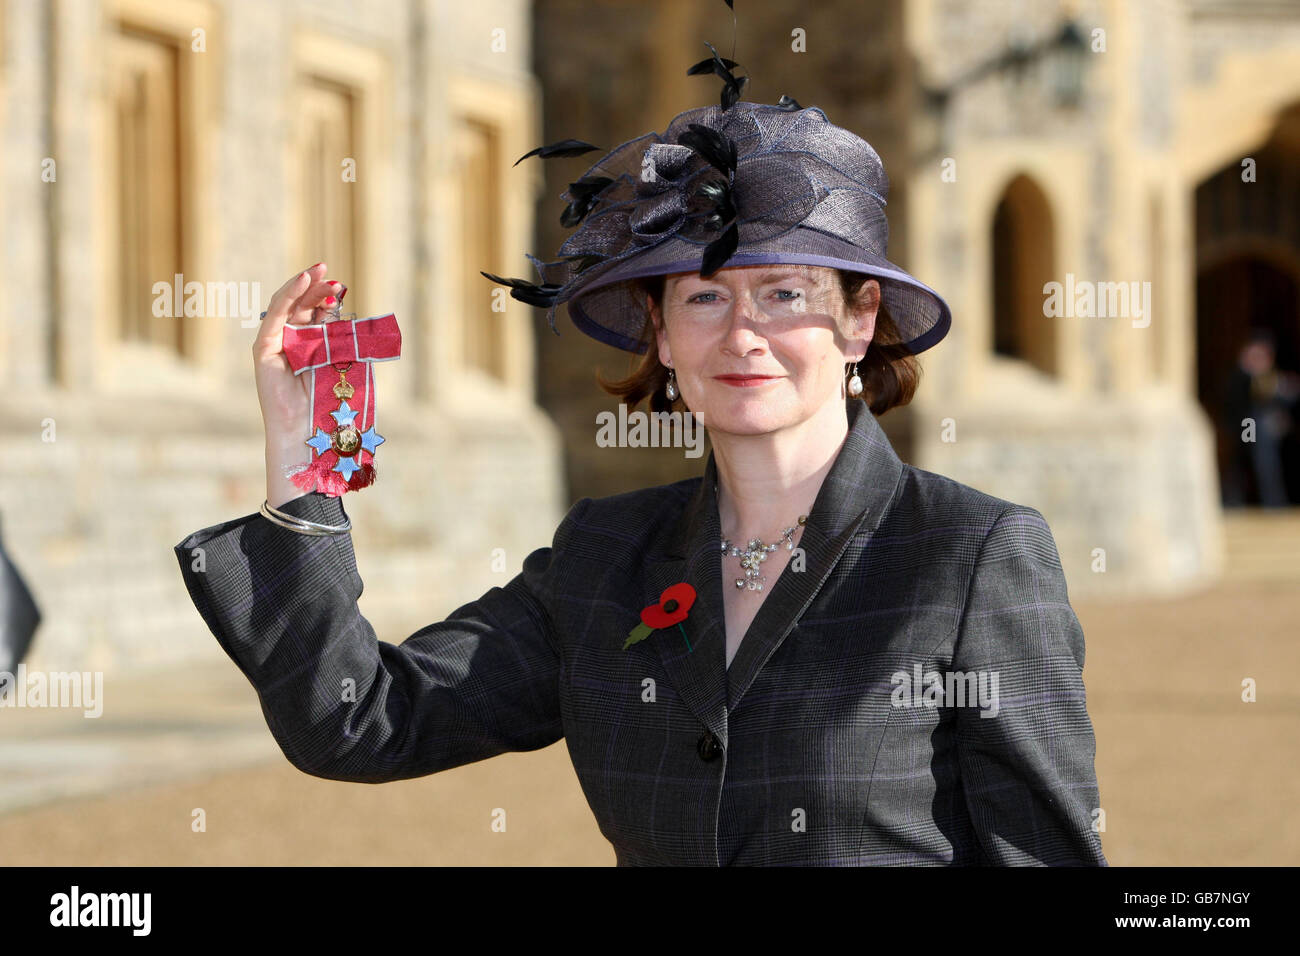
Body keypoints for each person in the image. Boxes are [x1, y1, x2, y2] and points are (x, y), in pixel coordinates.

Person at [175, 60, 1105, 866]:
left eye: (784, 293)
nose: (744, 334)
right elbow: (358, 720)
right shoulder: (602, 558)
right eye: (703, 297)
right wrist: (305, 468)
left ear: (859, 320)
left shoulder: (972, 555)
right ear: (660, 333)